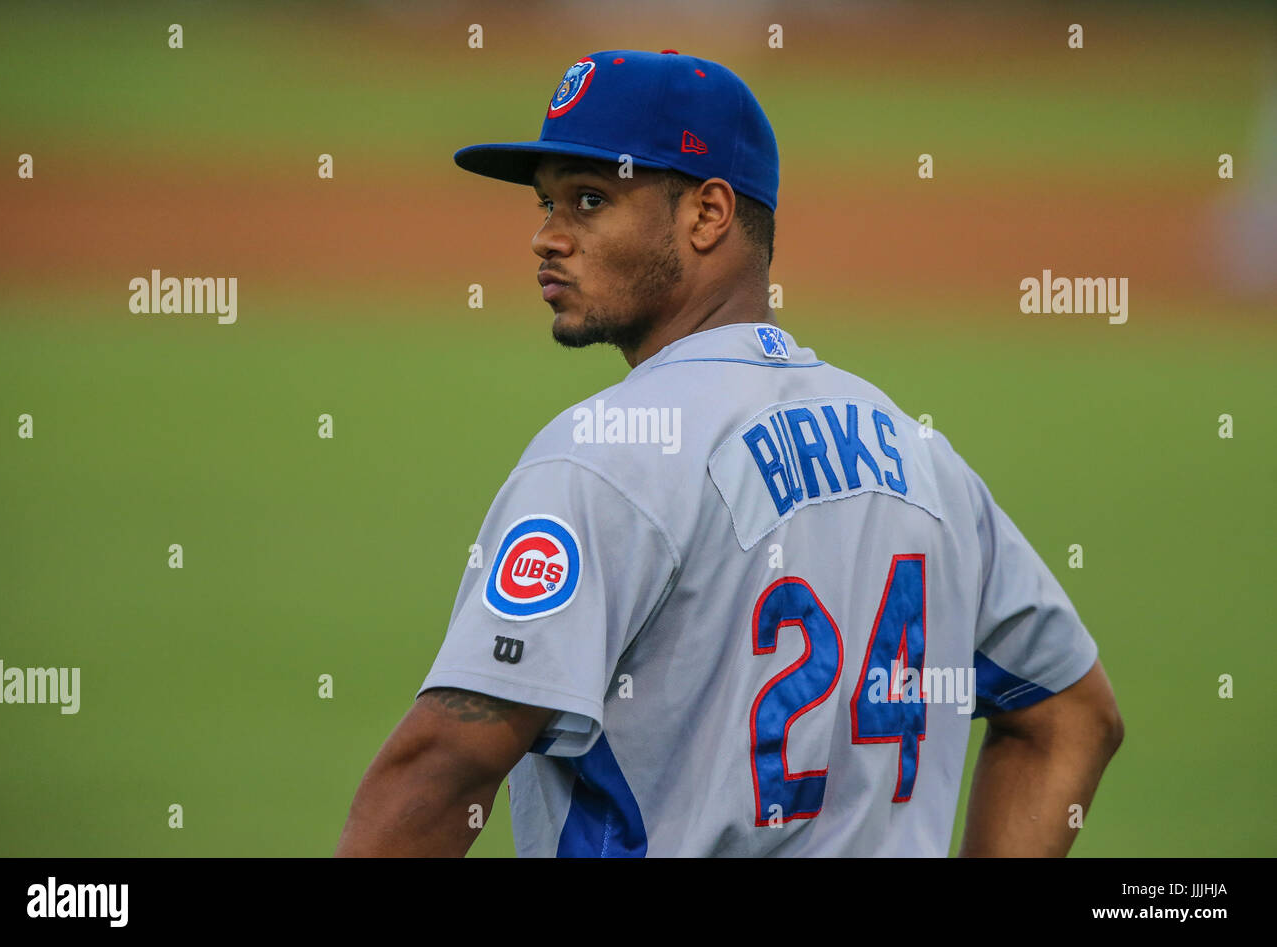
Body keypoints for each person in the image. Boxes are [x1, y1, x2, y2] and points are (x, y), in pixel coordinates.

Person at [336, 49, 1122, 858]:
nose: (545, 237)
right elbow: (1072, 713)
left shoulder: (602, 459)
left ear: (708, 214)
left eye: (590, 199)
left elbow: (441, 769)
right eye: (546, 204)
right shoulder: (921, 459)